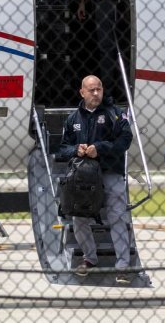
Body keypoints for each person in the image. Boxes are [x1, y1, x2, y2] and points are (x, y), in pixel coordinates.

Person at [55, 75, 136, 284]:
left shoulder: (114, 113)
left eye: (99, 89)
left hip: (110, 172)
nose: (96, 93)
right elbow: (62, 149)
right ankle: (89, 258)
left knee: (117, 216)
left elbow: (126, 139)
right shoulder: (73, 119)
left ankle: (123, 267)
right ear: (82, 92)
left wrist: (99, 148)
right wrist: (77, 149)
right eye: (91, 90)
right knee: (78, 218)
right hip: (83, 178)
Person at [77, 0, 122, 88]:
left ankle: (108, 90)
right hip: (111, 1)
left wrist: (82, 2)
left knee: (106, 48)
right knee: (110, 48)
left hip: (107, 3)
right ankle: (110, 89)